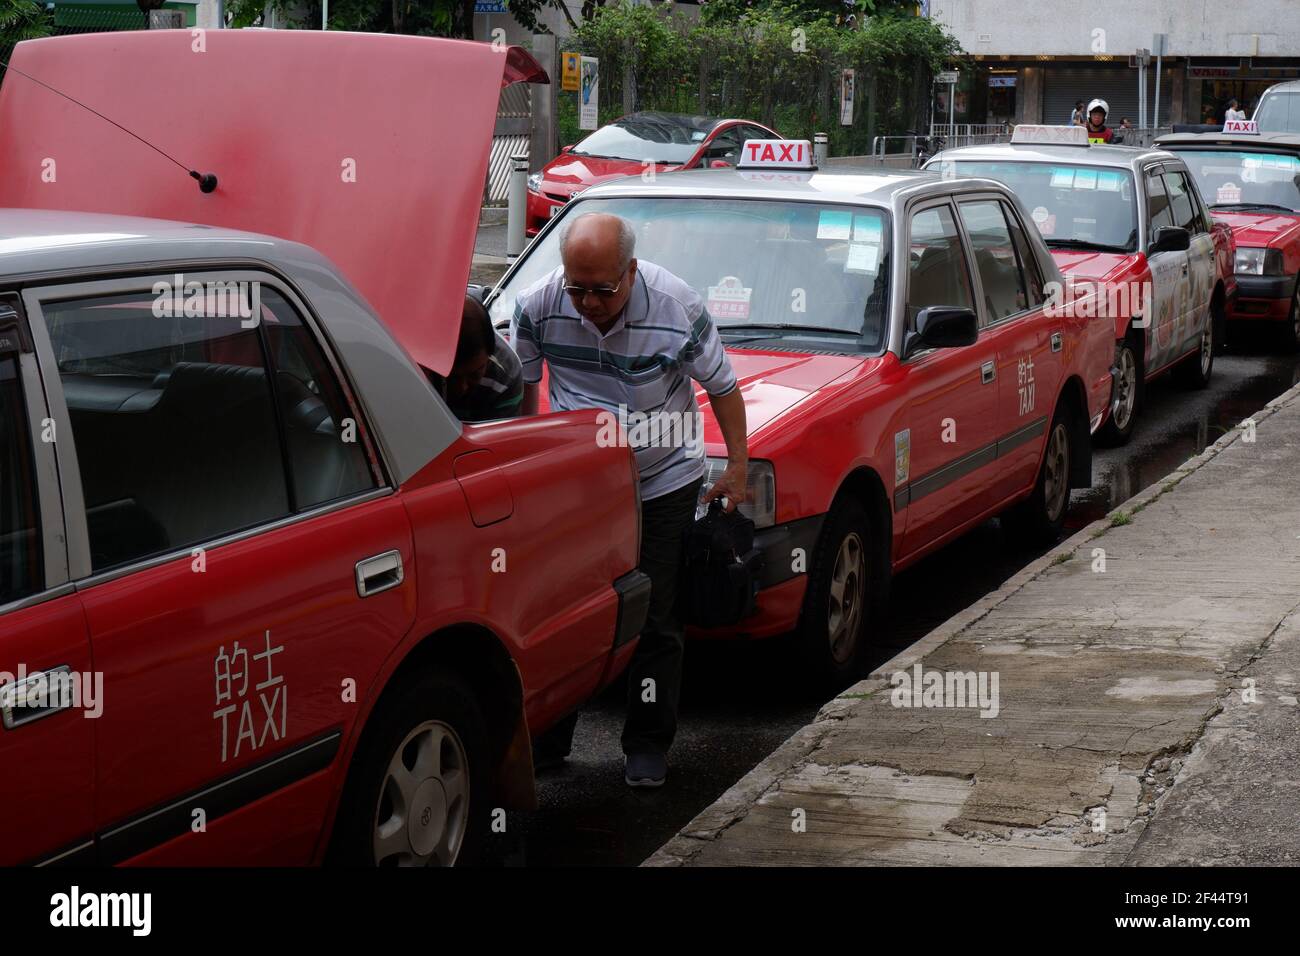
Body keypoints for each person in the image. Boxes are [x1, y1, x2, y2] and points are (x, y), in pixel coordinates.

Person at [511, 212, 750, 789]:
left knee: (657, 614)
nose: (587, 303)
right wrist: (523, 474)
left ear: (631, 272)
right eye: (577, 288)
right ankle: (549, 737)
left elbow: (723, 387)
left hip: (662, 477)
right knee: (566, 608)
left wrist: (738, 467)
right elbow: (523, 394)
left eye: (601, 290)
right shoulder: (538, 306)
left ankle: (646, 743)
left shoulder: (676, 307)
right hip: (582, 484)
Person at [428, 294, 525, 422]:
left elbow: (499, 438)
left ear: (490, 354)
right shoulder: (414, 365)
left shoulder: (506, 375)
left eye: (474, 374)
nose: (461, 388)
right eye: (451, 377)